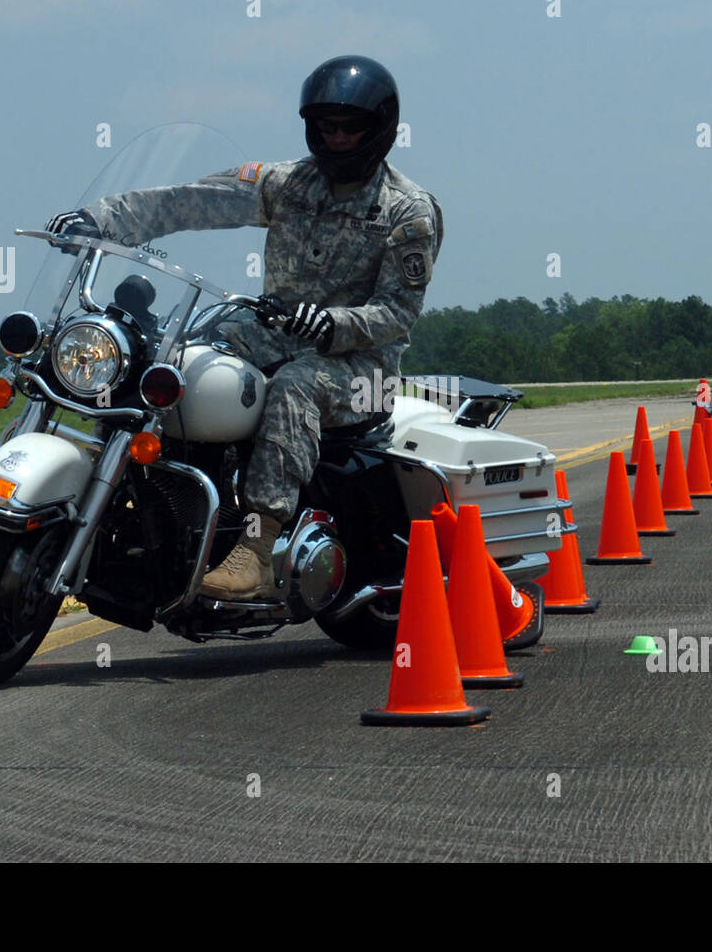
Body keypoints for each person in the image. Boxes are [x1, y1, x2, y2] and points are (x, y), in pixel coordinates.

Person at [45, 56, 442, 601]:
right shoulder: (285, 184)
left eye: (350, 127)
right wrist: (102, 220)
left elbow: (398, 312)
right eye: (327, 126)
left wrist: (332, 324)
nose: (338, 137)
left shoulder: (407, 210)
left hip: (359, 362)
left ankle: (256, 547)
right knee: (173, 365)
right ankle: (135, 500)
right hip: (270, 330)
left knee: (296, 387)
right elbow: (190, 201)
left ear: (380, 129)